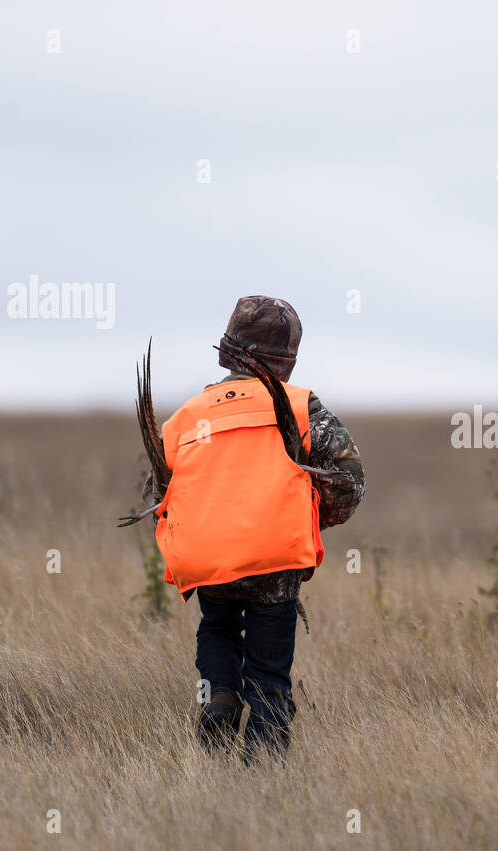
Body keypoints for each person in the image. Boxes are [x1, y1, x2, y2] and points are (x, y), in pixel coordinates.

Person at [153, 296, 364, 756]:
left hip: (208, 559)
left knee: (218, 626)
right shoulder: (301, 405)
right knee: (269, 670)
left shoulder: (186, 417)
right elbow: (349, 481)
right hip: (275, 555)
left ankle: (220, 699)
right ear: (287, 358)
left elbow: (162, 492)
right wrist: (307, 518)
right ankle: (263, 769)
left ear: (227, 349)